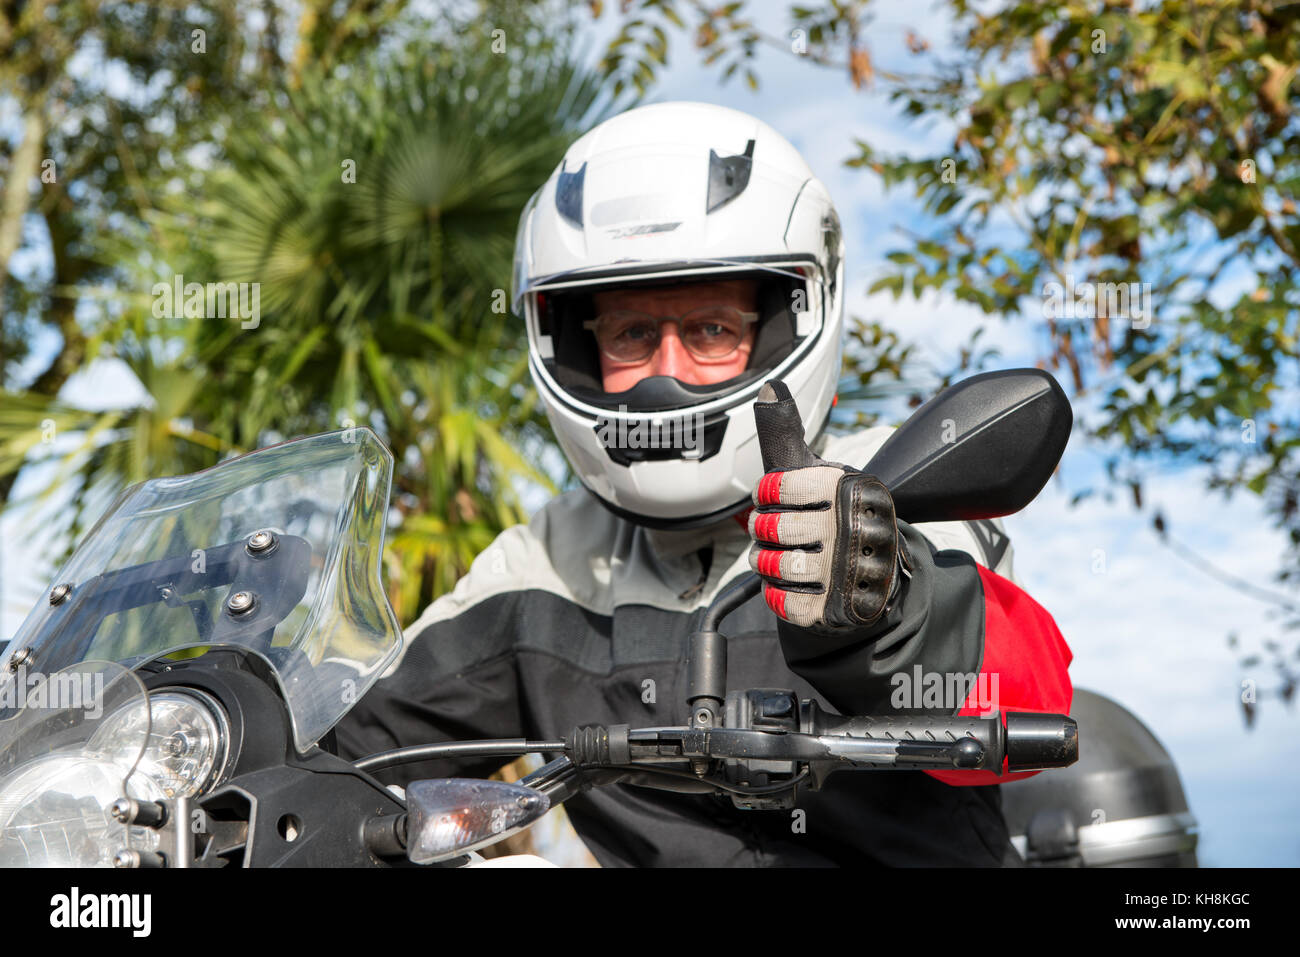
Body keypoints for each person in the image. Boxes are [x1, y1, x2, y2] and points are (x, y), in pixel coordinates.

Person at [334, 101, 1073, 866]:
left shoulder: (890, 482)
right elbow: (357, 757)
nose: (666, 375)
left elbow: (1032, 701)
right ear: (580, 352)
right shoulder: (550, 559)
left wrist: (887, 602)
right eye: (630, 334)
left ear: (782, 325)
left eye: (711, 329)